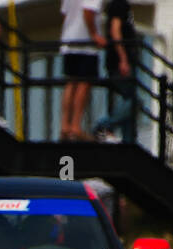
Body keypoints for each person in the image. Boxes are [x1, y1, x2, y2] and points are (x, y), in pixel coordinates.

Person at [59, 0, 106, 141]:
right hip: (85, 44)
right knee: (84, 82)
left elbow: (65, 14)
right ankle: (75, 126)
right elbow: (88, 11)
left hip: (69, 39)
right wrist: (94, 35)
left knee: (71, 82)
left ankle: (65, 125)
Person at [93, 0, 138, 143]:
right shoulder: (119, 4)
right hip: (118, 63)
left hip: (121, 62)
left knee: (128, 101)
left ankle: (129, 140)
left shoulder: (120, 5)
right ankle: (105, 125)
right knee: (134, 101)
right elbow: (115, 30)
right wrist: (123, 59)